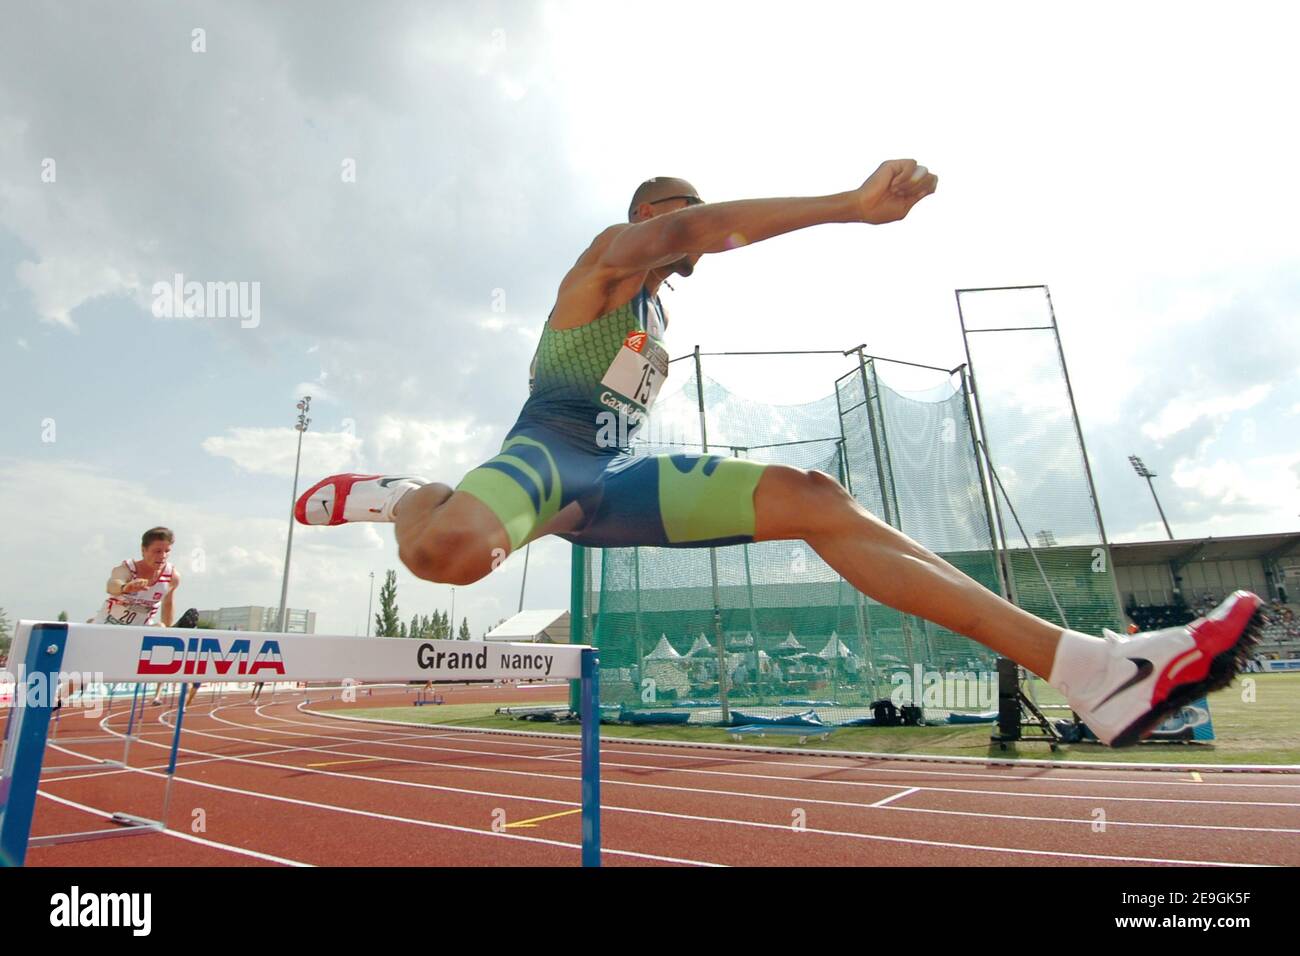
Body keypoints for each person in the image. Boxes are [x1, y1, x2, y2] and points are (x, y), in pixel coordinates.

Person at [294, 159, 1261, 747]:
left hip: (616, 482)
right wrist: (848, 203)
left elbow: (691, 253)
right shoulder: (601, 263)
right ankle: (409, 494)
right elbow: (692, 226)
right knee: (447, 558)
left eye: (686, 211)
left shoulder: (659, 331)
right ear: (636, 219)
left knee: (815, 496)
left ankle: (1093, 669)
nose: (686, 224)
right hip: (542, 458)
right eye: (666, 210)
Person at [83, 527, 183, 707]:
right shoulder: (127, 569)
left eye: (167, 551)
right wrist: (125, 588)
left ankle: (157, 691)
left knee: (161, 629)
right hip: (108, 624)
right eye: (157, 551)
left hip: (138, 630)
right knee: (85, 675)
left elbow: (168, 605)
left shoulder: (172, 577)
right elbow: (112, 584)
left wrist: (170, 630)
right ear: (144, 550)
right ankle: (56, 700)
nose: (162, 556)